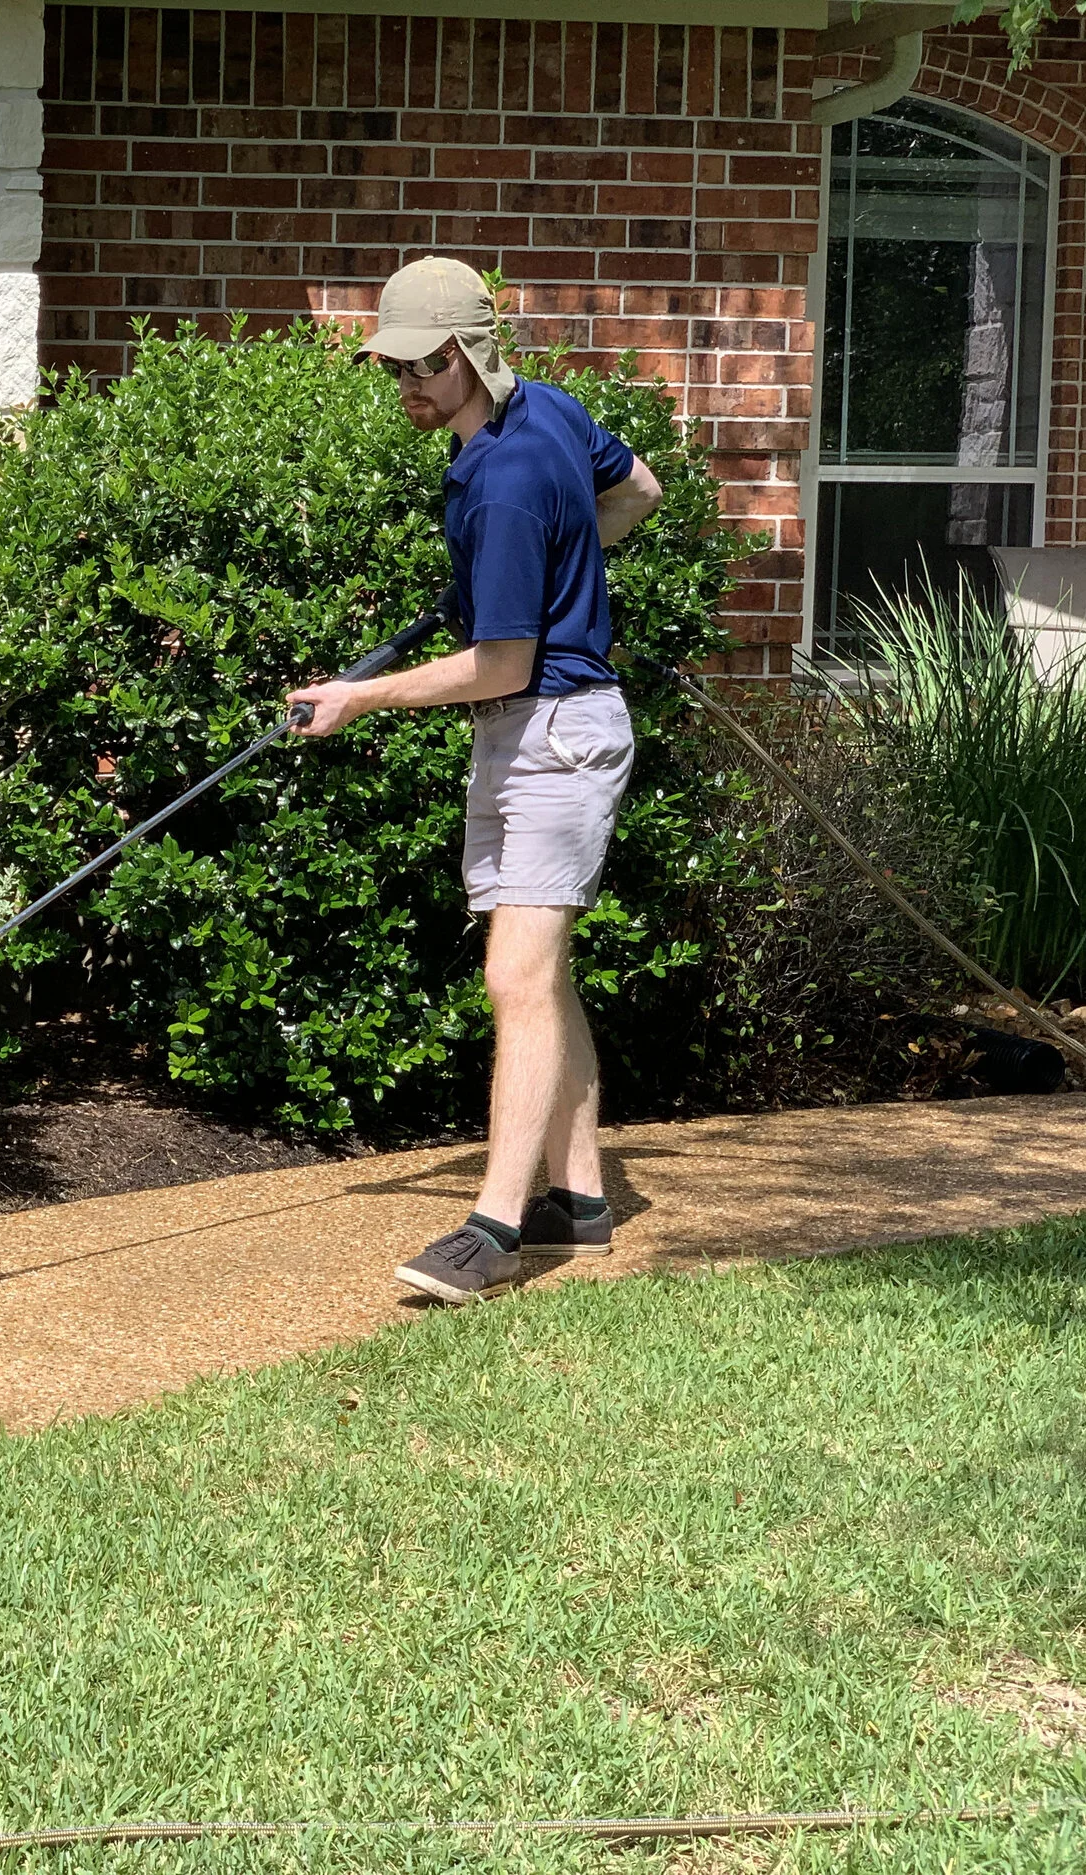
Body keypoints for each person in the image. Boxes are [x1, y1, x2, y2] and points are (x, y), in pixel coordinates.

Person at [287, 256, 664, 1306]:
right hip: (536, 729)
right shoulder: (549, 411)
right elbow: (637, 491)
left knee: (516, 978)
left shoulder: (498, 484)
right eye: (393, 368)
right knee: (540, 974)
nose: (404, 387)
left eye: (420, 368)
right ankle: (577, 1200)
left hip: (550, 732)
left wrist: (357, 698)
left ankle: (493, 1226)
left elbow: (500, 664)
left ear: (466, 357)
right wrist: (570, 566)